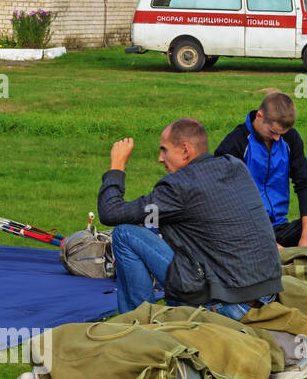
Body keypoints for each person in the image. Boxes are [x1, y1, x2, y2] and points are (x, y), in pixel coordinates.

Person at [97, 118, 281, 318]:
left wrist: (117, 167)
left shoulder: (179, 187)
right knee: (150, 233)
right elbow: (168, 215)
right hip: (266, 297)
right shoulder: (234, 166)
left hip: (228, 306)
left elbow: (111, 212)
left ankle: (138, 325)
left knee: (125, 234)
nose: (160, 158)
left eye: (164, 150)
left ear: (185, 150)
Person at [214, 91, 307, 247]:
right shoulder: (234, 144)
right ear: (259, 116)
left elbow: (304, 183)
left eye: (282, 133)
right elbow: (222, 201)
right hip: (246, 231)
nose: (277, 138)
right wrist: (268, 242)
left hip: (280, 228)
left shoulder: (290, 139)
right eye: (273, 132)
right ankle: (288, 259)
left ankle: (302, 259)